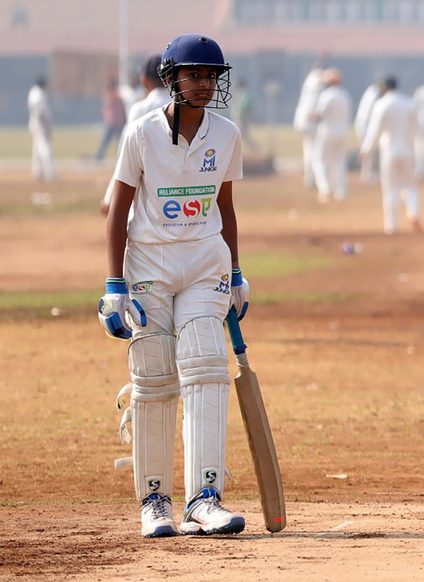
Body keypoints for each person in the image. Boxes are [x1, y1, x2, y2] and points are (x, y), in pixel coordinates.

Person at [100, 33, 248, 538]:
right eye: (194, 74)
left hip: (205, 261)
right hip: (149, 265)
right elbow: (117, 210)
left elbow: (225, 207)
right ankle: (155, 501)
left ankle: (205, 499)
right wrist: (114, 285)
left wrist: (236, 273)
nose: (204, 84)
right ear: (171, 78)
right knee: (155, 378)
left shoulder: (226, 134)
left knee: (207, 368)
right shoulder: (140, 134)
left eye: (211, 75)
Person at [101, 55, 171, 214]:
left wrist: (109, 198)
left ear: (144, 80)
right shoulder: (180, 105)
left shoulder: (140, 109)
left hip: (149, 182)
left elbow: (125, 153)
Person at [361, 76, 422, 234]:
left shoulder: (381, 105)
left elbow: (374, 131)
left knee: (390, 189)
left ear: (386, 87)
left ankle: (391, 225)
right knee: (410, 186)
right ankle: (413, 213)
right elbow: (417, 129)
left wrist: (367, 150)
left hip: (389, 151)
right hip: (407, 150)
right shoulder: (408, 103)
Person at [311, 68, 352, 203]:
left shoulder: (326, 95)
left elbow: (320, 114)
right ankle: (340, 192)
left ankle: (325, 188)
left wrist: (311, 116)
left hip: (327, 132)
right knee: (339, 162)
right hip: (342, 132)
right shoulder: (345, 95)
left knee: (318, 160)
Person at [293, 56, 326, 189]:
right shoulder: (317, 82)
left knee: (308, 149)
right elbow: (314, 102)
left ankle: (309, 179)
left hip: (303, 120)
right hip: (311, 120)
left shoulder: (310, 79)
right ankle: (314, 180)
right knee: (314, 151)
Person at [354, 79, 385, 184]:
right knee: (370, 151)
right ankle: (368, 174)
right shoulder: (375, 94)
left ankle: (366, 173)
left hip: (363, 124)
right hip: (366, 126)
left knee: (367, 150)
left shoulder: (370, 92)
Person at [27, 76, 56, 182]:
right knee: (44, 148)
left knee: (37, 148)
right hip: (40, 124)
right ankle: (50, 172)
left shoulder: (33, 93)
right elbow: (40, 112)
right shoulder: (38, 94)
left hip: (36, 123)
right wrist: (46, 126)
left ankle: (37, 171)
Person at [95, 79, 127, 161]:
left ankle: (122, 157)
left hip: (118, 123)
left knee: (120, 142)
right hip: (110, 123)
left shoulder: (117, 97)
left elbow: (122, 109)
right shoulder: (107, 97)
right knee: (105, 141)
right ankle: (99, 156)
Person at [233, 79, 260, 152]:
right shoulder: (240, 95)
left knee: (240, 136)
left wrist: (243, 120)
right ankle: (255, 149)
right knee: (243, 136)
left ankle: (256, 149)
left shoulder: (244, 96)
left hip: (241, 120)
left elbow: (246, 109)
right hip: (239, 119)